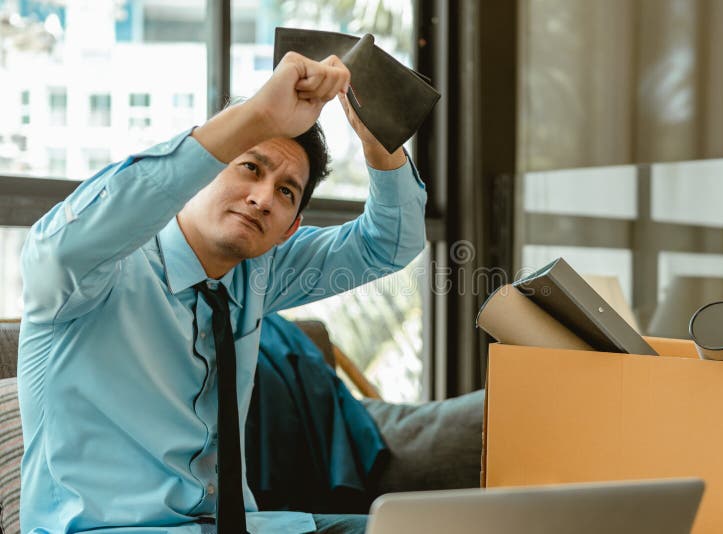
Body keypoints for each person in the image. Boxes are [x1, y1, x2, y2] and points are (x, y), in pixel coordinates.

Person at [17, 51, 427, 534]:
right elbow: (59, 249)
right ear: (202, 172)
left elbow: (387, 244)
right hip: (105, 530)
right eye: (251, 168)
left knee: (416, 527)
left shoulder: (258, 272)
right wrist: (256, 115)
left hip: (239, 526)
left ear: (289, 229)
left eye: (286, 192)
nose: (262, 198)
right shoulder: (94, 272)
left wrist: (380, 146)